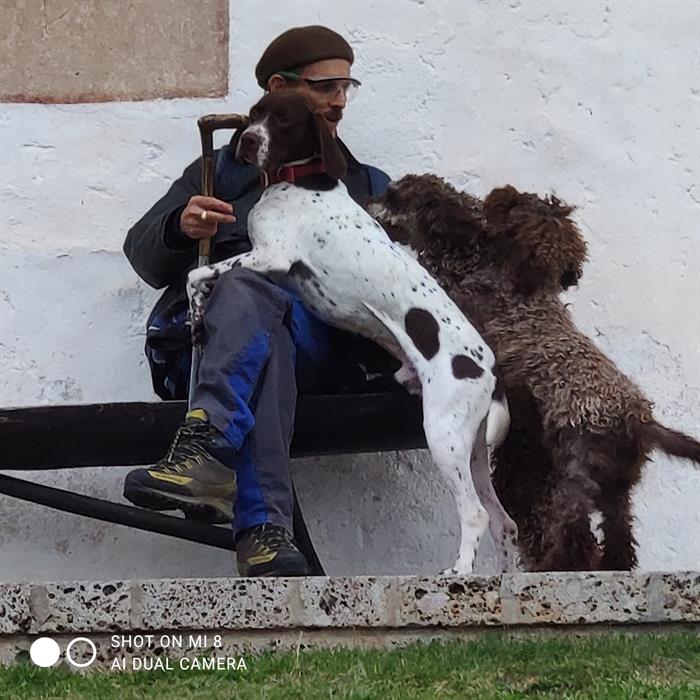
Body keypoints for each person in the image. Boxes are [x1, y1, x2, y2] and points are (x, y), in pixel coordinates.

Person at [122, 26, 396, 577]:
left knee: (254, 294)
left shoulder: (363, 184)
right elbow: (144, 256)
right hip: (203, 350)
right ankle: (265, 531)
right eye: (326, 86)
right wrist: (180, 226)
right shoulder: (216, 173)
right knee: (258, 326)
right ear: (280, 87)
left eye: (348, 86)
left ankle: (207, 451)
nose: (339, 100)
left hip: (320, 349)